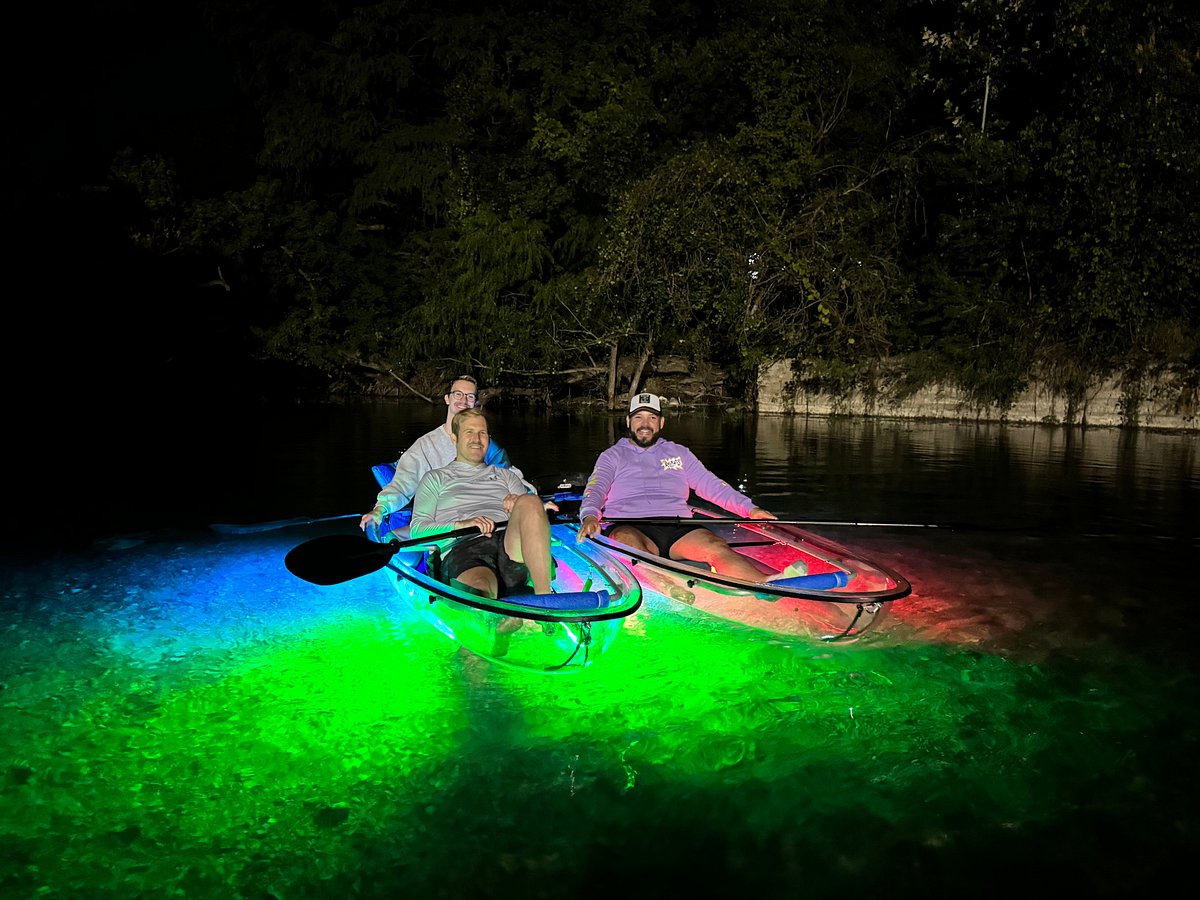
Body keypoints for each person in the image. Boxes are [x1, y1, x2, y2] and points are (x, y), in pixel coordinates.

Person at [576, 392, 785, 581]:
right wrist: (590, 515)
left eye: (652, 418)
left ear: (661, 423)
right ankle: (668, 587)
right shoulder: (611, 456)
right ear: (629, 421)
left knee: (715, 545)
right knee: (627, 542)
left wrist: (750, 509)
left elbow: (711, 485)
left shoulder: (679, 453)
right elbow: (596, 488)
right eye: (638, 417)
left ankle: (767, 585)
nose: (645, 424)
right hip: (629, 525)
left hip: (678, 526)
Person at [411, 408, 556, 599]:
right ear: (454, 439)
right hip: (464, 547)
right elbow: (417, 530)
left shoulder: (507, 476)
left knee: (530, 500)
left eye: (482, 433)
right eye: (469, 432)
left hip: (509, 543)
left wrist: (517, 505)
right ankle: (488, 608)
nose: (477, 439)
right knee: (482, 585)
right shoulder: (435, 478)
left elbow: (531, 521)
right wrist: (461, 525)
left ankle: (545, 601)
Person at [360, 375, 516, 537]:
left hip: (488, 518)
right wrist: (380, 509)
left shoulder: (486, 445)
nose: (463, 400)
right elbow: (403, 484)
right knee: (394, 537)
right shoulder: (426, 446)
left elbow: (511, 477)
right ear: (447, 398)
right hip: (445, 522)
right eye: (458, 394)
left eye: (470, 396)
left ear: (476, 403)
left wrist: (519, 498)